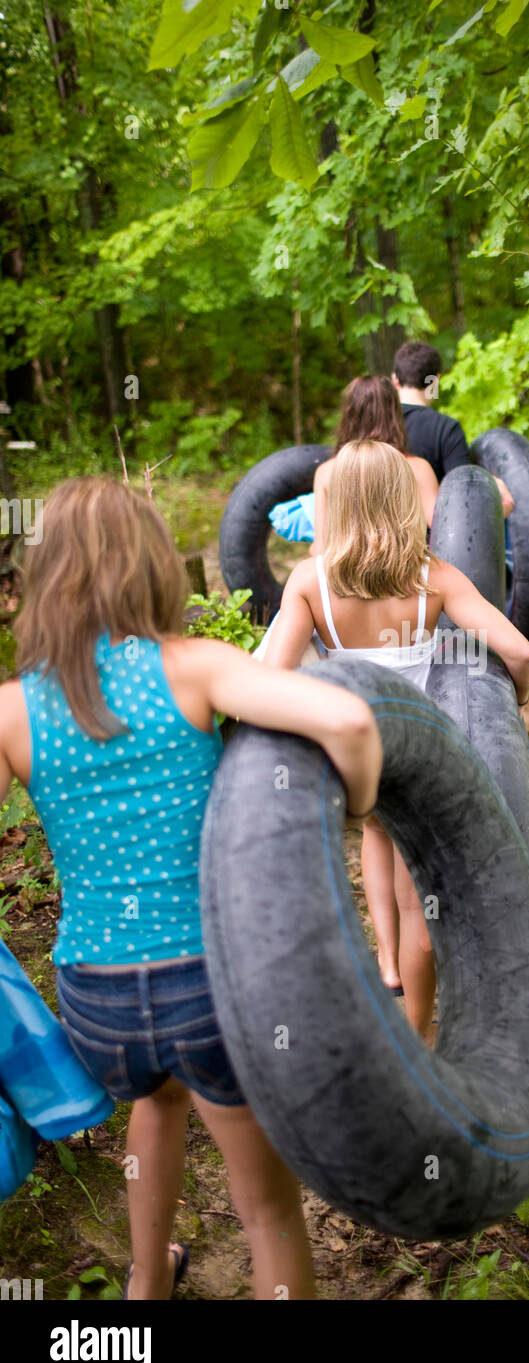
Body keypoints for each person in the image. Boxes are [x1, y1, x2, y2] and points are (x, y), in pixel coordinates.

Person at [0, 476, 382, 1301]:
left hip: (96, 1002)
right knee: (268, 1210)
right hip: (208, 988)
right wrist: (359, 807)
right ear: (150, 566)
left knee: (157, 1101)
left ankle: (145, 1285)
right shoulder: (195, 666)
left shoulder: (13, 710)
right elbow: (350, 722)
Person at [261, 440, 529, 1038]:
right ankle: (417, 1031)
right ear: (401, 499)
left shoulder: (310, 583)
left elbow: (270, 680)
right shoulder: (434, 577)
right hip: (416, 756)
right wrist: (518, 698)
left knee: (375, 832)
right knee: (421, 903)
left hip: (350, 757)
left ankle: (382, 963)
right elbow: (516, 648)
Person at [310, 376, 439, 551]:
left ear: (349, 414)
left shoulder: (327, 472)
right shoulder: (418, 468)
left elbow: (321, 546)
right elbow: (442, 531)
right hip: (406, 573)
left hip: (347, 575)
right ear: (394, 414)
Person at [391, 340, 515, 517]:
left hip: (372, 539)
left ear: (395, 379)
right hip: (432, 540)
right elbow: (464, 497)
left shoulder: (370, 423)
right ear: (435, 380)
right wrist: (505, 505)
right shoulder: (446, 429)